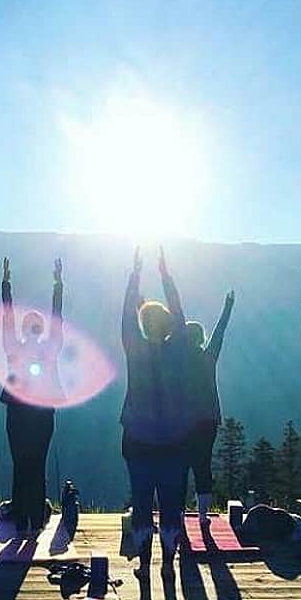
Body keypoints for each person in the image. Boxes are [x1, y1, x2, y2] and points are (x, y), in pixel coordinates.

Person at [120, 247, 192, 580]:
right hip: (175, 440)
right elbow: (179, 312)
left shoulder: (134, 348)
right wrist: (166, 276)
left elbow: (125, 317)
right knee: (171, 504)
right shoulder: (179, 349)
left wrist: (135, 276)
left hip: (137, 438)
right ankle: (167, 559)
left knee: (141, 499)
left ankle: (145, 561)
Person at [0, 256, 64, 534]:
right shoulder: (50, 347)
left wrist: (6, 285)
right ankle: (35, 516)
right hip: (43, 411)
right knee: (37, 462)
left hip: (17, 410)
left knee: (20, 462)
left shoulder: (14, 347)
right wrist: (58, 285)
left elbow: (6, 318)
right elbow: (58, 320)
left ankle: (21, 513)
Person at [184, 288, 235, 526]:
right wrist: (227, 308)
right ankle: (203, 516)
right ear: (200, 339)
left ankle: (180, 513)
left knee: (181, 464)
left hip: (184, 419)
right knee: (203, 464)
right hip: (208, 419)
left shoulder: (179, 359)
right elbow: (220, 333)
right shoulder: (209, 356)